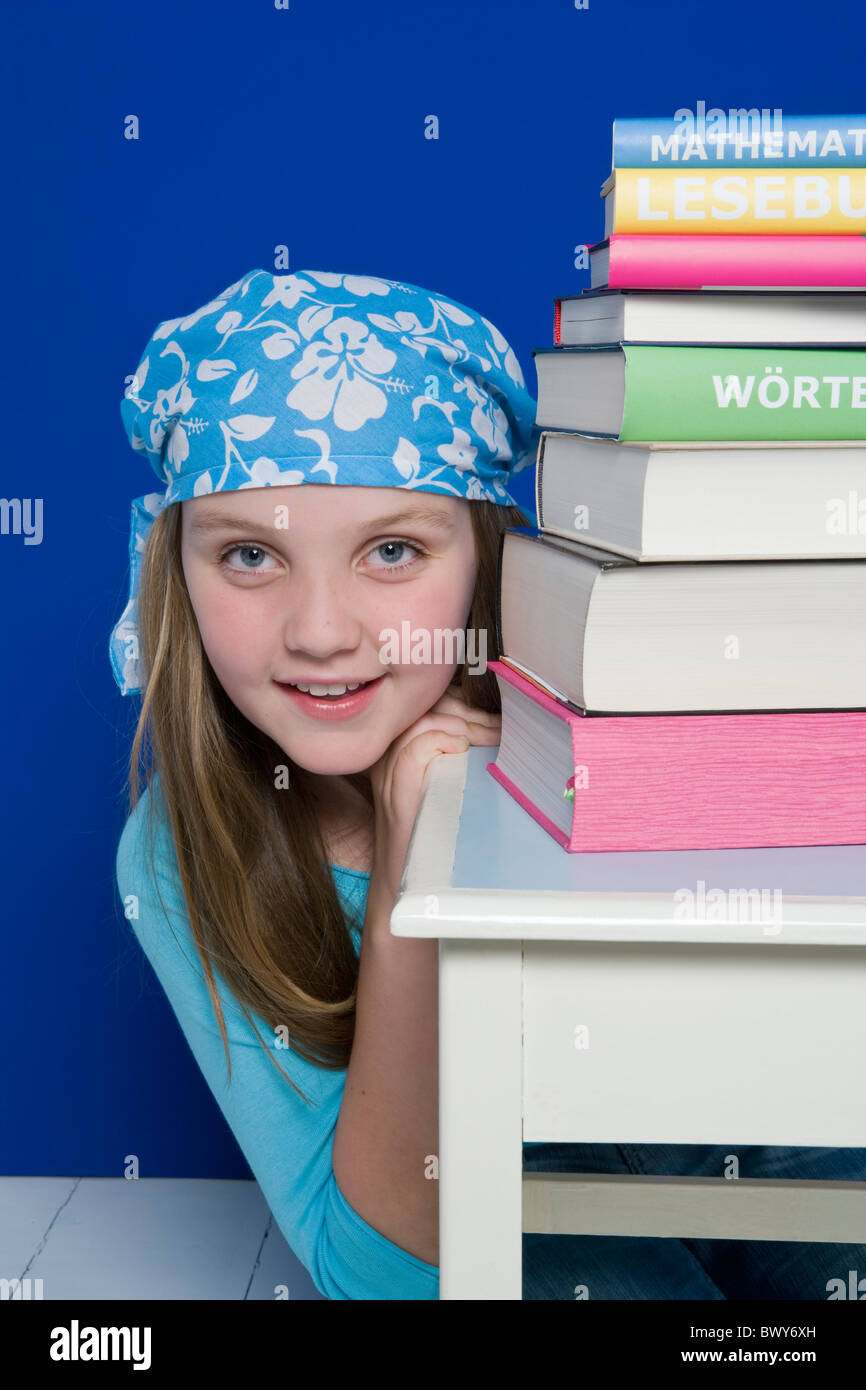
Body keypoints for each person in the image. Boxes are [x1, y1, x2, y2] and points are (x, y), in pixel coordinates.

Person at [111, 267, 866, 1301]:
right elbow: (369, 1266)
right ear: (176, 567)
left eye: (390, 549)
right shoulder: (185, 851)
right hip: (520, 1242)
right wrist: (408, 891)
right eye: (249, 554)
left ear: (484, 547)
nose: (321, 630)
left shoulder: (632, 707)